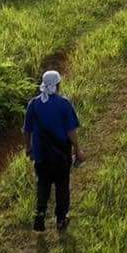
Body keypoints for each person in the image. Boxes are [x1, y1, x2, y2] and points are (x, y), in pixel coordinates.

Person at [24, 69, 81, 232]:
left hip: (41, 154)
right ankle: (61, 219)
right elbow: (71, 131)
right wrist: (78, 150)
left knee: (43, 183)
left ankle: (40, 215)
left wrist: (28, 148)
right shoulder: (64, 104)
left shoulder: (33, 104)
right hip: (61, 154)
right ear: (57, 85)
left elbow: (27, 130)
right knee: (62, 185)